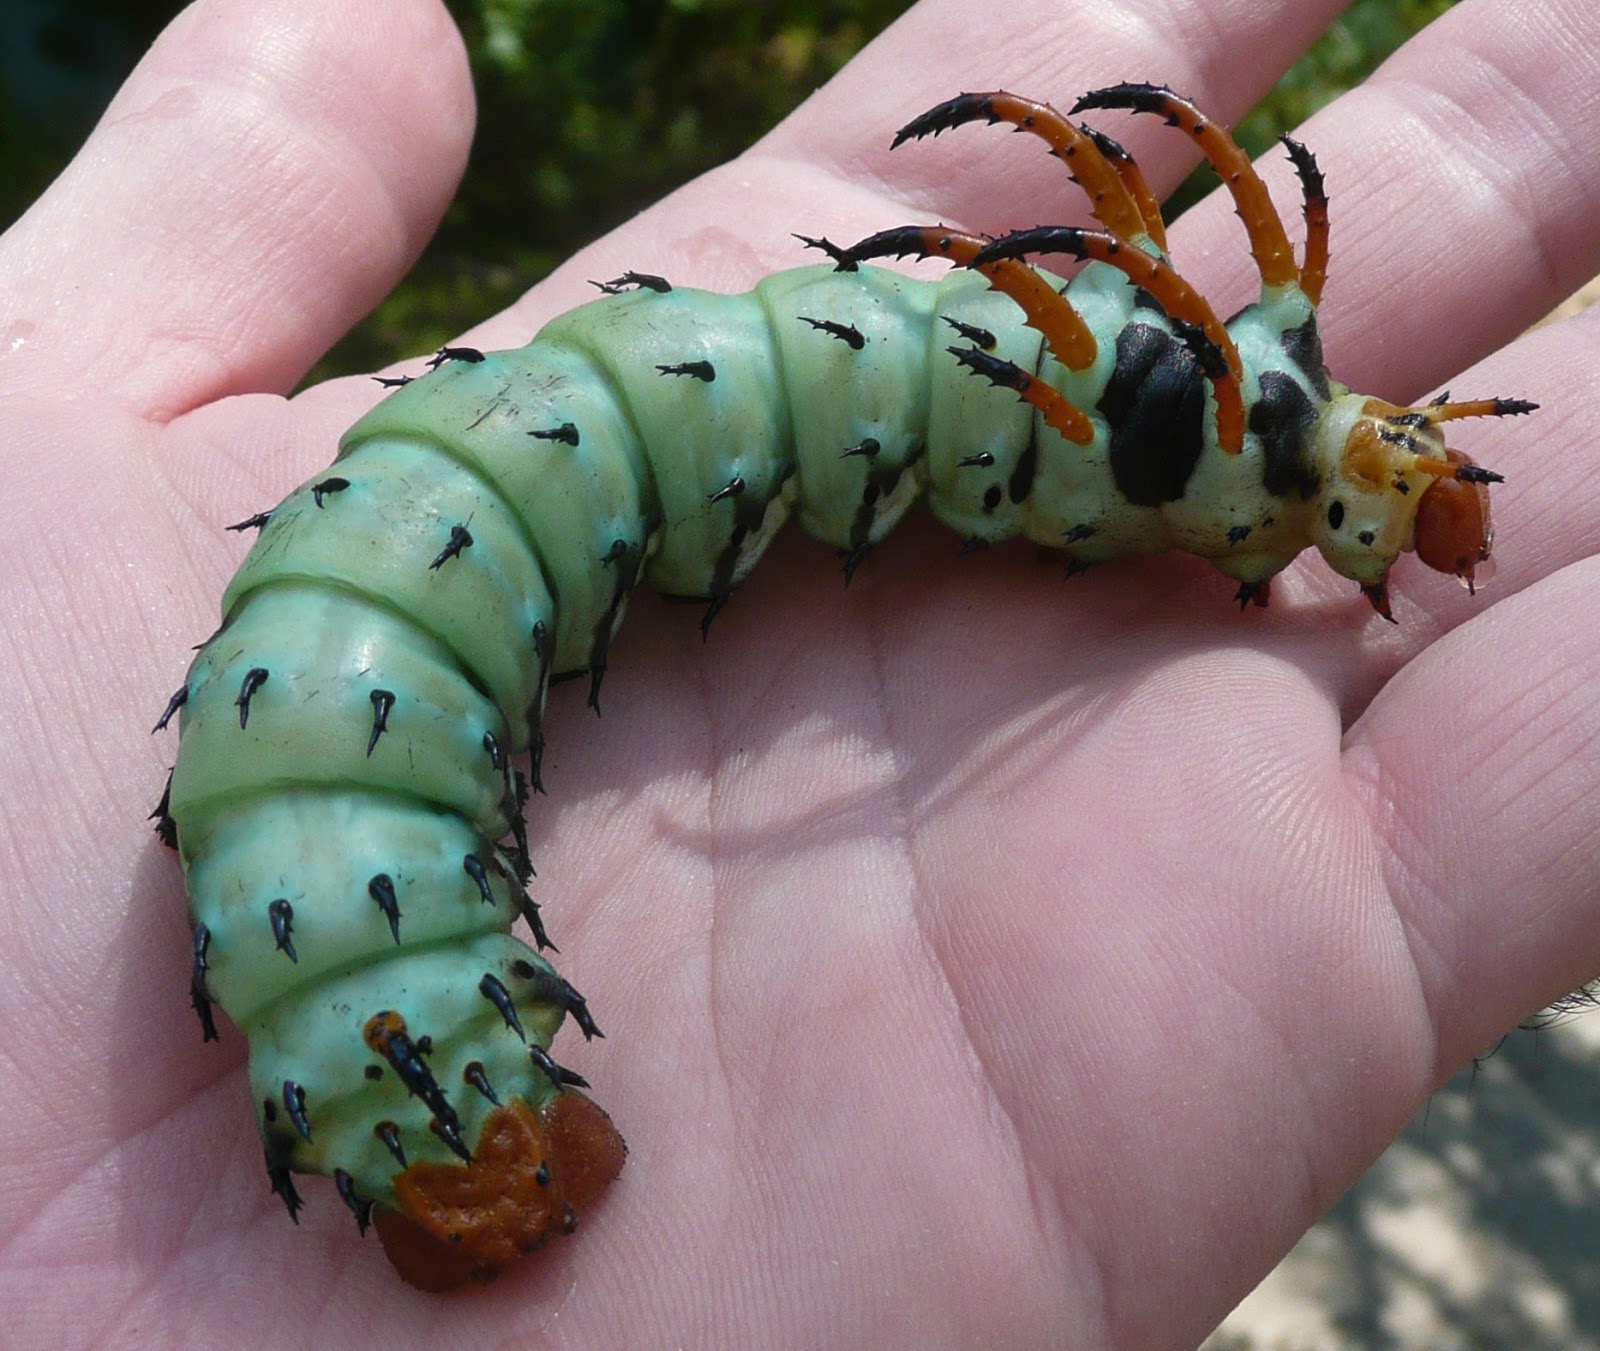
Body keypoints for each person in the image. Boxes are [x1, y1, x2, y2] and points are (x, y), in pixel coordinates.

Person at [2, 0, 1597, 1343]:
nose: (510, 1159)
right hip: (953, 407)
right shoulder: (335, 742)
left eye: (448, 1120)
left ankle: (1248, 446)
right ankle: (1232, 441)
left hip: (985, 408)